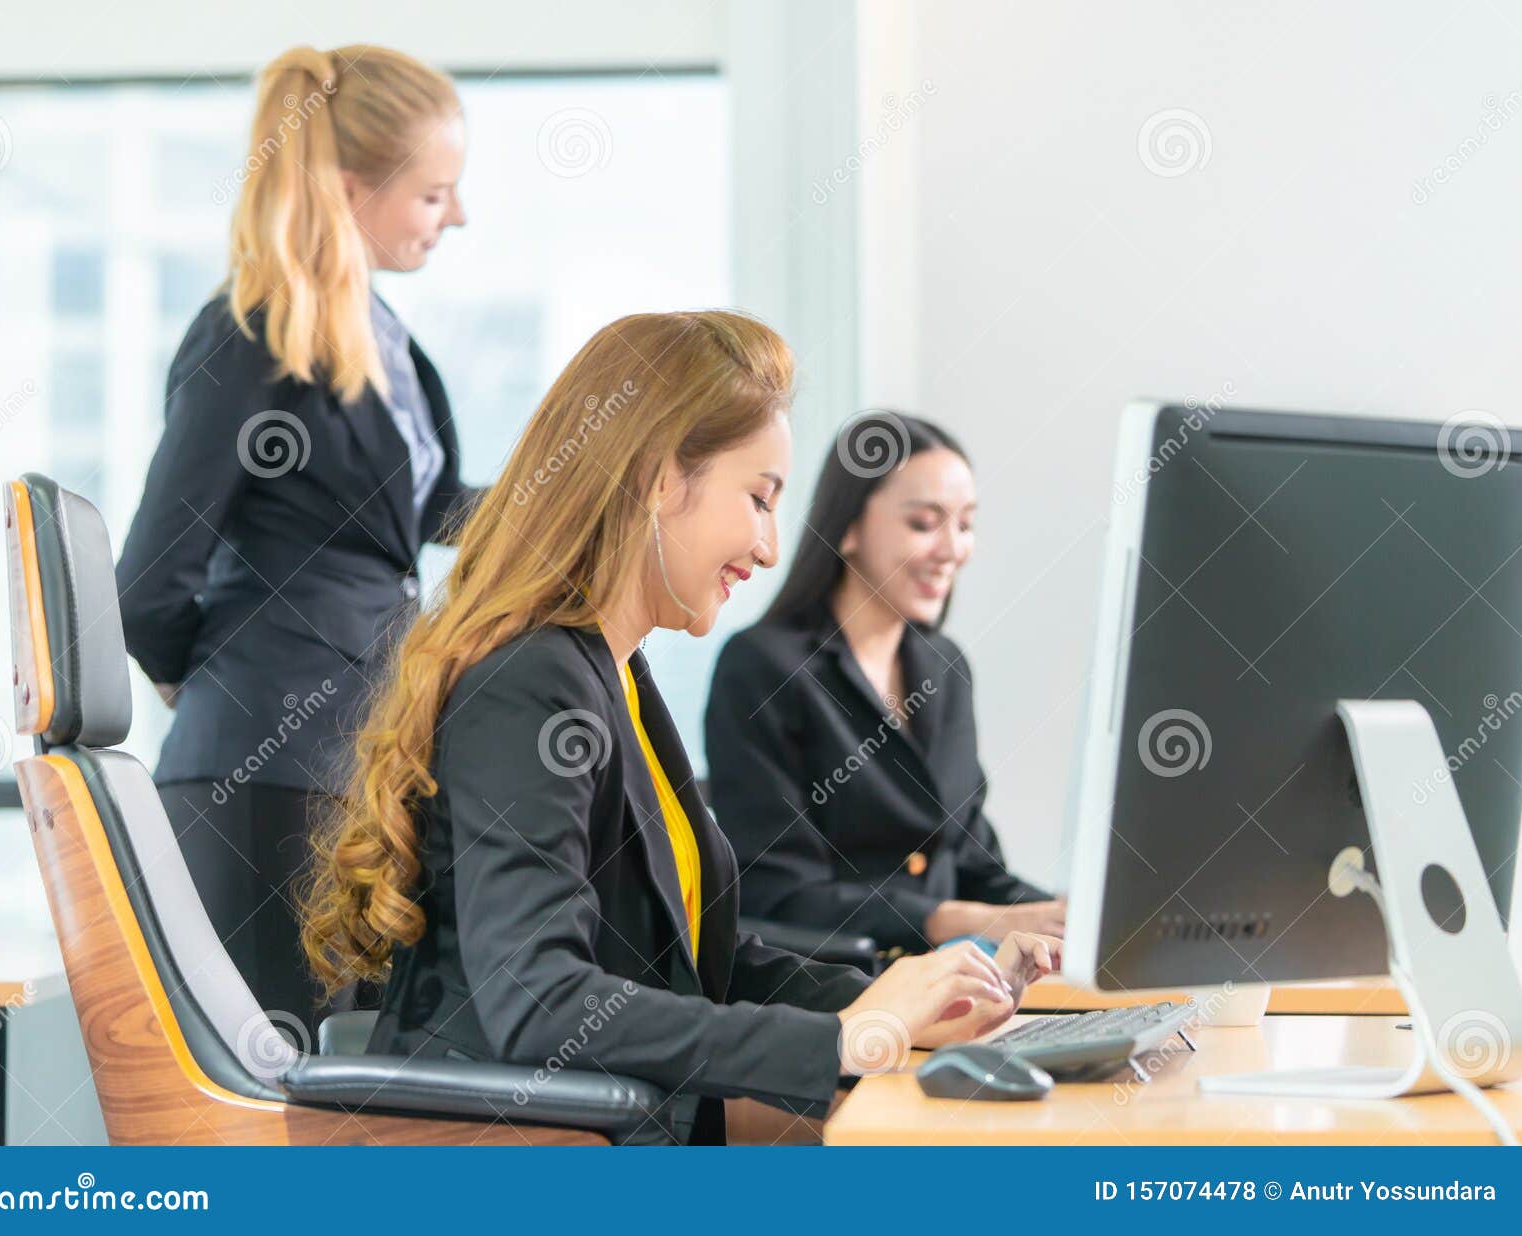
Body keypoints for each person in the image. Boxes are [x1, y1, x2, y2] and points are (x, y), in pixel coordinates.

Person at [298, 313, 1061, 1144]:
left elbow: (699, 962)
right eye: (759, 499)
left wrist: (899, 994)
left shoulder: (614, 673)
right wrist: (843, 1039)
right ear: (662, 479)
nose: (770, 547)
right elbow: (540, 999)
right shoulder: (533, 683)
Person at [115, 44, 476, 1031]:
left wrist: (589, 497)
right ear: (355, 189)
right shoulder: (251, 333)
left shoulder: (380, 336)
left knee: (344, 1082)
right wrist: (221, 682)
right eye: (435, 195)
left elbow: (426, 507)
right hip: (262, 774)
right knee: (280, 1098)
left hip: (351, 760)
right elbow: (148, 581)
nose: (457, 218)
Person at [704, 412, 1065, 959]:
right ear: (848, 527)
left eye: (965, 525)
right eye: (924, 523)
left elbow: (974, 867)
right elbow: (776, 894)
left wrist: (1074, 919)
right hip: (844, 993)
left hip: (960, 984)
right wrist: (953, 920)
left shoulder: (945, 668)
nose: (953, 549)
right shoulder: (763, 667)